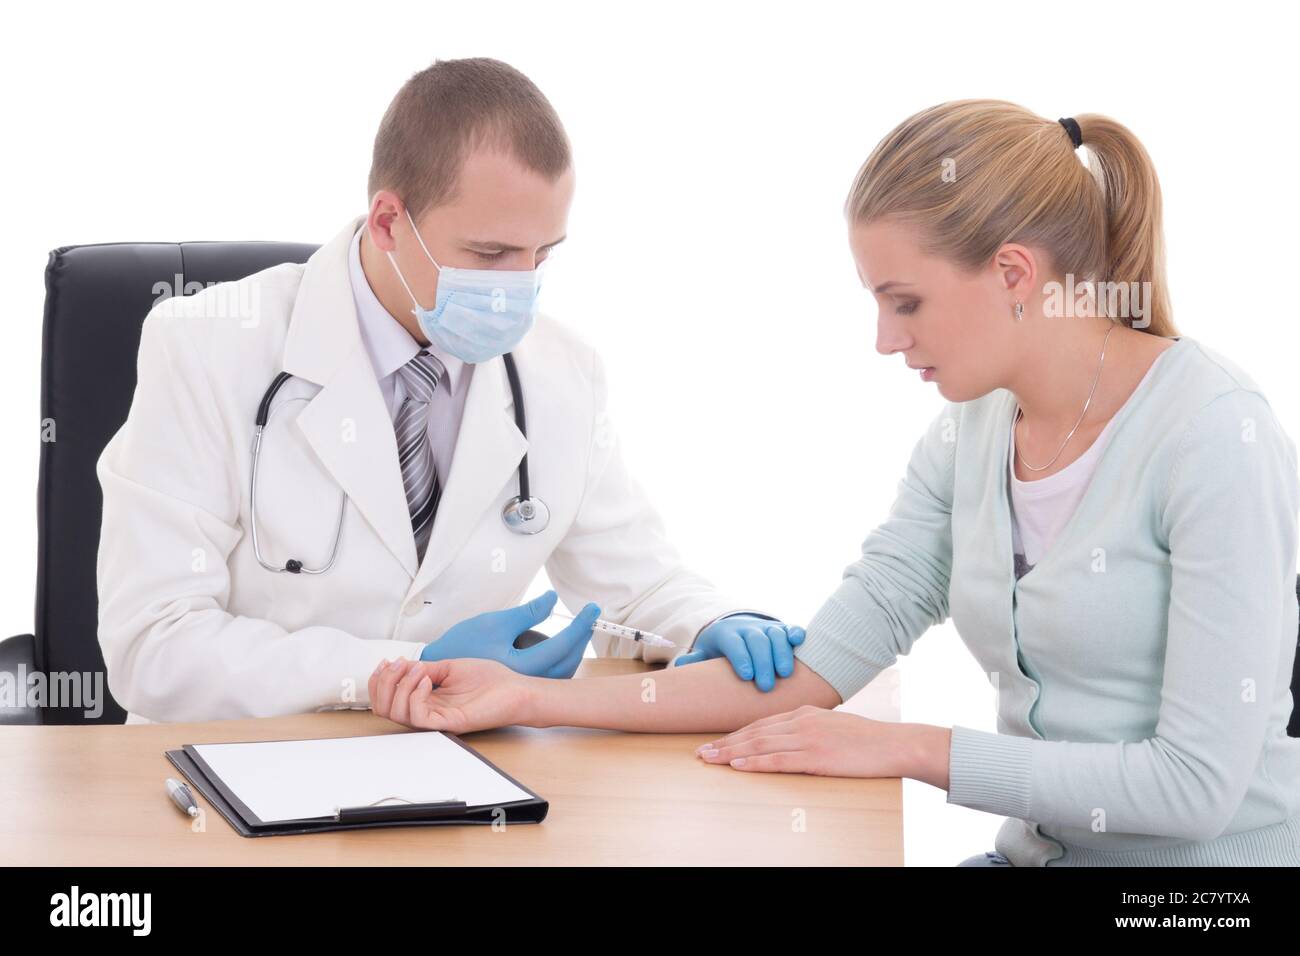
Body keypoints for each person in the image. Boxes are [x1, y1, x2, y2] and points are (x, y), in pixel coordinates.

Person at [370, 100, 1300, 867]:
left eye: (906, 301)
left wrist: (906, 751)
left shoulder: (1213, 436)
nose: (886, 340)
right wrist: (524, 700)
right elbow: (815, 675)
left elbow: (1193, 789)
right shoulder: (973, 430)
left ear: (1014, 273)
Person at [95, 58, 805, 725]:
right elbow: (155, 644)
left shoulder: (563, 372)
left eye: (543, 255)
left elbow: (637, 585)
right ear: (387, 221)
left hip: (460, 768)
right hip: (237, 770)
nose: (518, 287)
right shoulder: (204, 347)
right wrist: (408, 669)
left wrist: (714, 621)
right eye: (490, 254)